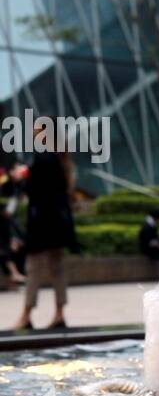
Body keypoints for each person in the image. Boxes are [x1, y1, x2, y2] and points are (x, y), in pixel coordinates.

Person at [13, 124, 78, 330]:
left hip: (42, 224)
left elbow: (35, 190)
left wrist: (21, 178)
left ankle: (26, 315)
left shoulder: (43, 157)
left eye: (36, 129)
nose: (32, 132)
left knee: (33, 268)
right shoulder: (60, 158)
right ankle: (59, 313)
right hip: (58, 224)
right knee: (57, 269)